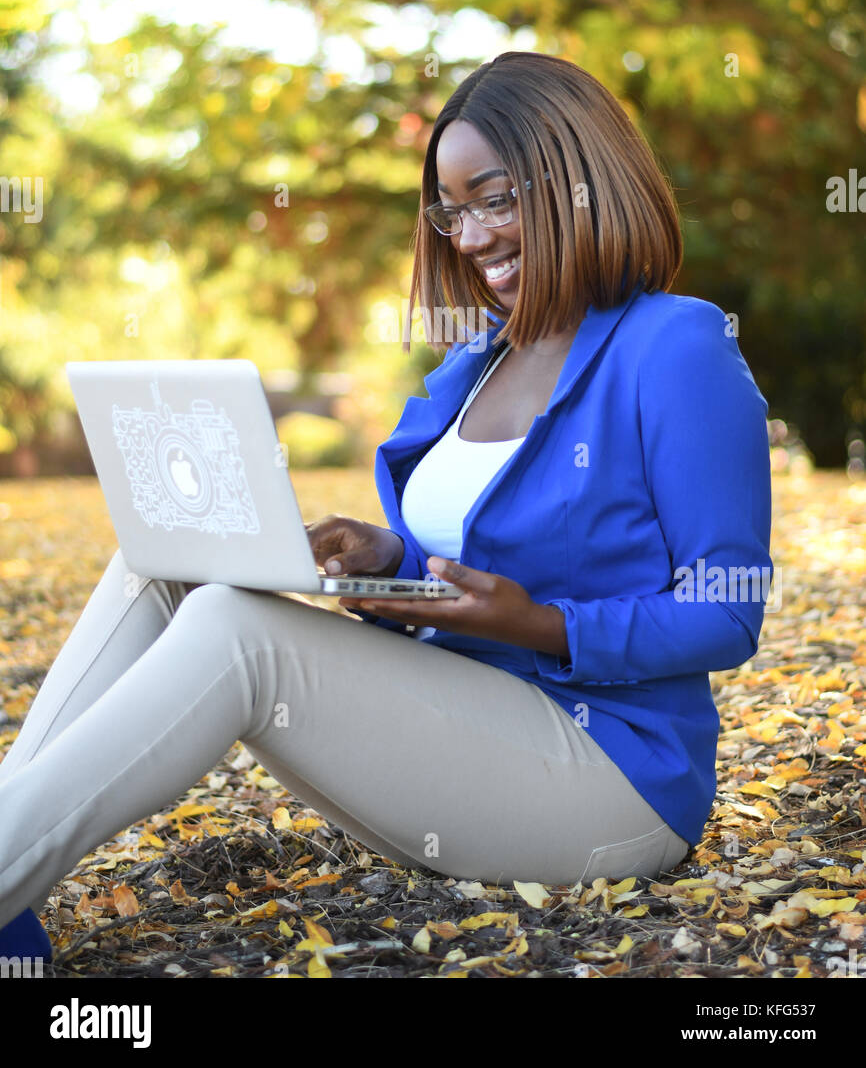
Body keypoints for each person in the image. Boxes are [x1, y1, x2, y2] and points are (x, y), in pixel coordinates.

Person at [0, 50, 772, 961]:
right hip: (464, 734)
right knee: (160, 558)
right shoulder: (472, 364)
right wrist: (389, 561)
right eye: (454, 212)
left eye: (498, 199)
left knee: (232, 631)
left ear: (580, 181)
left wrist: (546, 625)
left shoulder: (672, 345)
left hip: (609, 778)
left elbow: (727, 612)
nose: (473, 236)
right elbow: (458, 571)